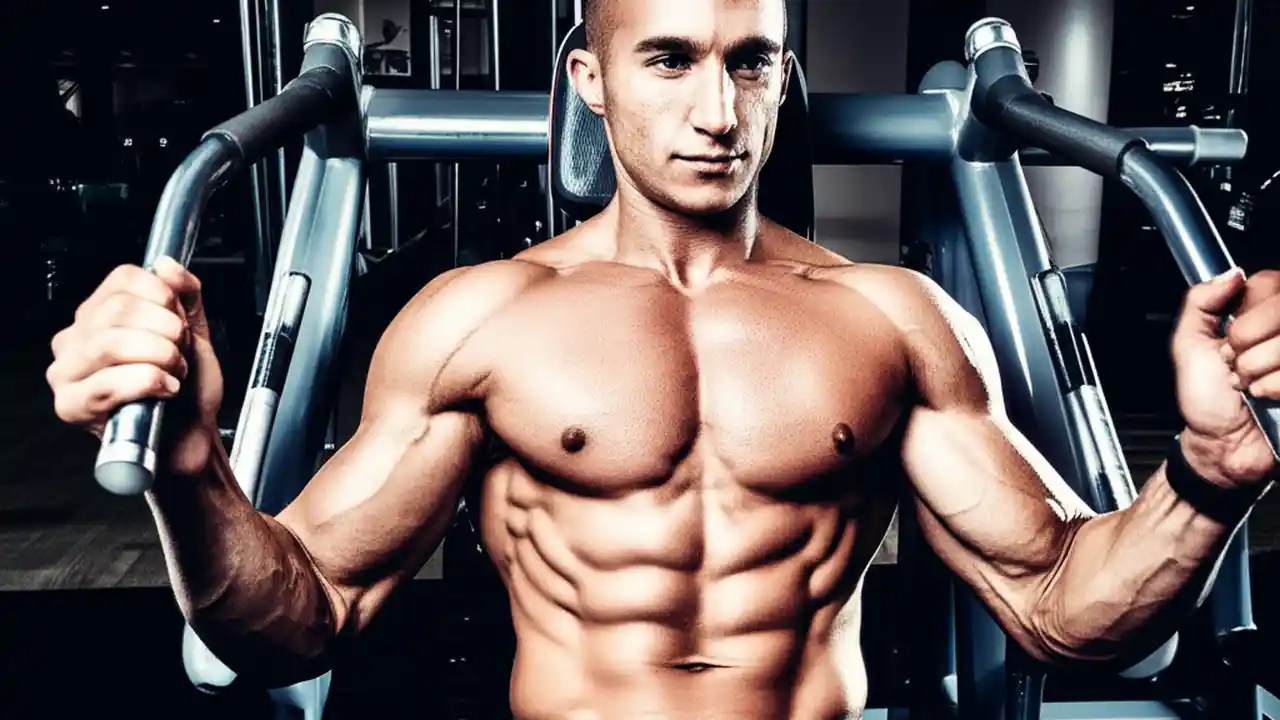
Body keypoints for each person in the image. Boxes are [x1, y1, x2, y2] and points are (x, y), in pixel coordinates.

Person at [45, 0, 1280, 717]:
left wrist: (1211, 476)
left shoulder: (891, 319)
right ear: (587, 78)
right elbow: (298, 621)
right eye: (669, 59)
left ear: (784, 75)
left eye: (750, 62)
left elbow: (1066, 613)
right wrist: (193, 470)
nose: (717, 112)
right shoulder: (480, 318)